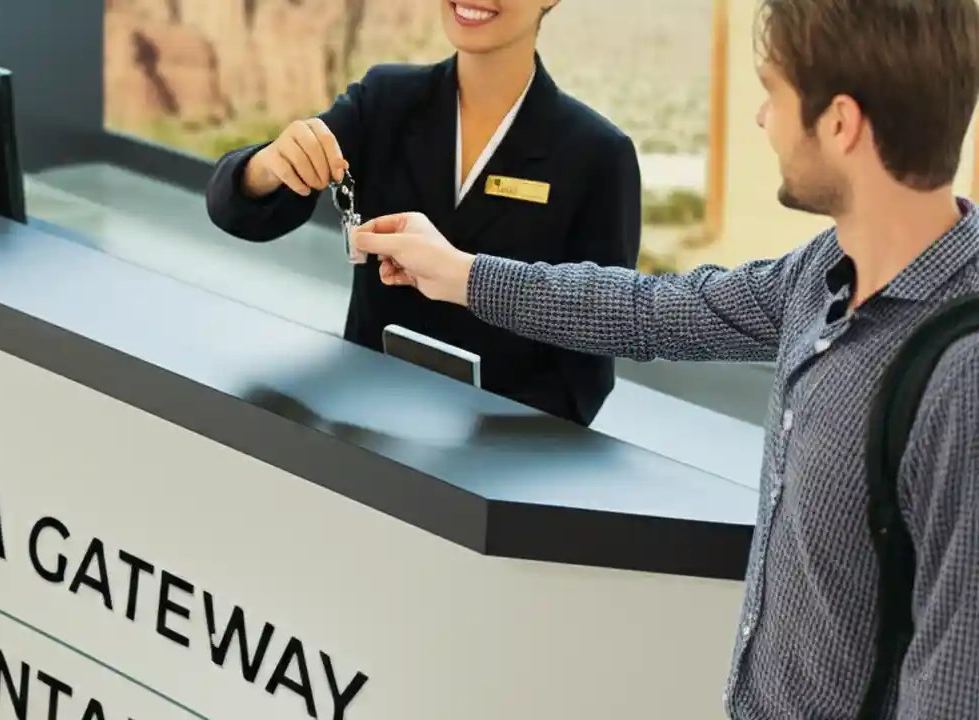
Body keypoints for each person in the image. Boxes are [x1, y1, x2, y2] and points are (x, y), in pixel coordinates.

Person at [353, 0, 979, 716]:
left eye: (771, 95)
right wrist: (462, 274)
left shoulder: (963, 377)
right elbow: (654, 311)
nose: (761, 120)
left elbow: (955, 689)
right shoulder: (826, 271)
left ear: (839, 124)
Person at [205, 0, 641, 426]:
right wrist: (265, 168)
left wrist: (483, 449)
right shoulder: (386, 100)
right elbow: (241, 213)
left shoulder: (598, 155)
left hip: (499, 463)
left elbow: (586, 370)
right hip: (360, 434)